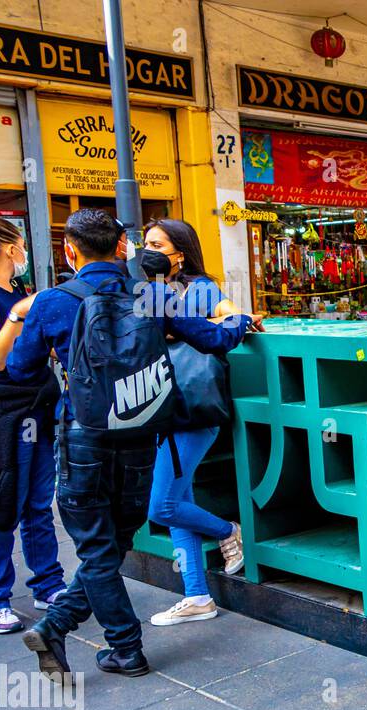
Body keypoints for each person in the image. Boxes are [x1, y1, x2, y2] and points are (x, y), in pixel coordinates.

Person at [0, 209, 253, 682]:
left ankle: (118, 646)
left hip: (82, 441)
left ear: (70, 252)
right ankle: (70, 631)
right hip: (141, 439)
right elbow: (216, 339)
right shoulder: (151, 295)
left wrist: (23, 318)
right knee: (114, 542)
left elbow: (20, 371)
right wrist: (242, 321)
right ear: (121, 250)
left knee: (96, 547)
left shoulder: (51, 302)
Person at [139, 219, 247, 628]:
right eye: (144, 242)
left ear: (179, 253)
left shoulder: (197, 287)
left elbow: (230, 314)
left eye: (156, 243)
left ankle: (228, 531)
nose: (145, 249)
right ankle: (197, 595)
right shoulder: (150, 291)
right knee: (177, 502)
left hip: (191, 409)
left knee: (163, 505)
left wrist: (189, 329)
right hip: (163, 409)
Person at [0, 214, 64, 634]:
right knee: (0, 505)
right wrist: (17, 314)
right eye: (22, 245)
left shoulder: (13, 287)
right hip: (0, 413)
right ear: (11, 250)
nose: (25, 253)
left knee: (37, 503)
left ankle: (48, 584)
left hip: (35, 406)